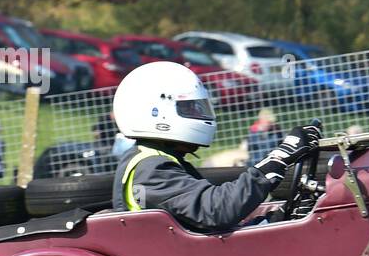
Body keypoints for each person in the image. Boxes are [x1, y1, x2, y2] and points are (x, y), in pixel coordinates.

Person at [109, 61, 320, 232]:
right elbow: (215, 211)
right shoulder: (152, 168)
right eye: (189, 108)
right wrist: (276, 160)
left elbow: (205, 224)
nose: (199, 115)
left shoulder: (155, 159)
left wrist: (275, 220)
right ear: (157, 113)